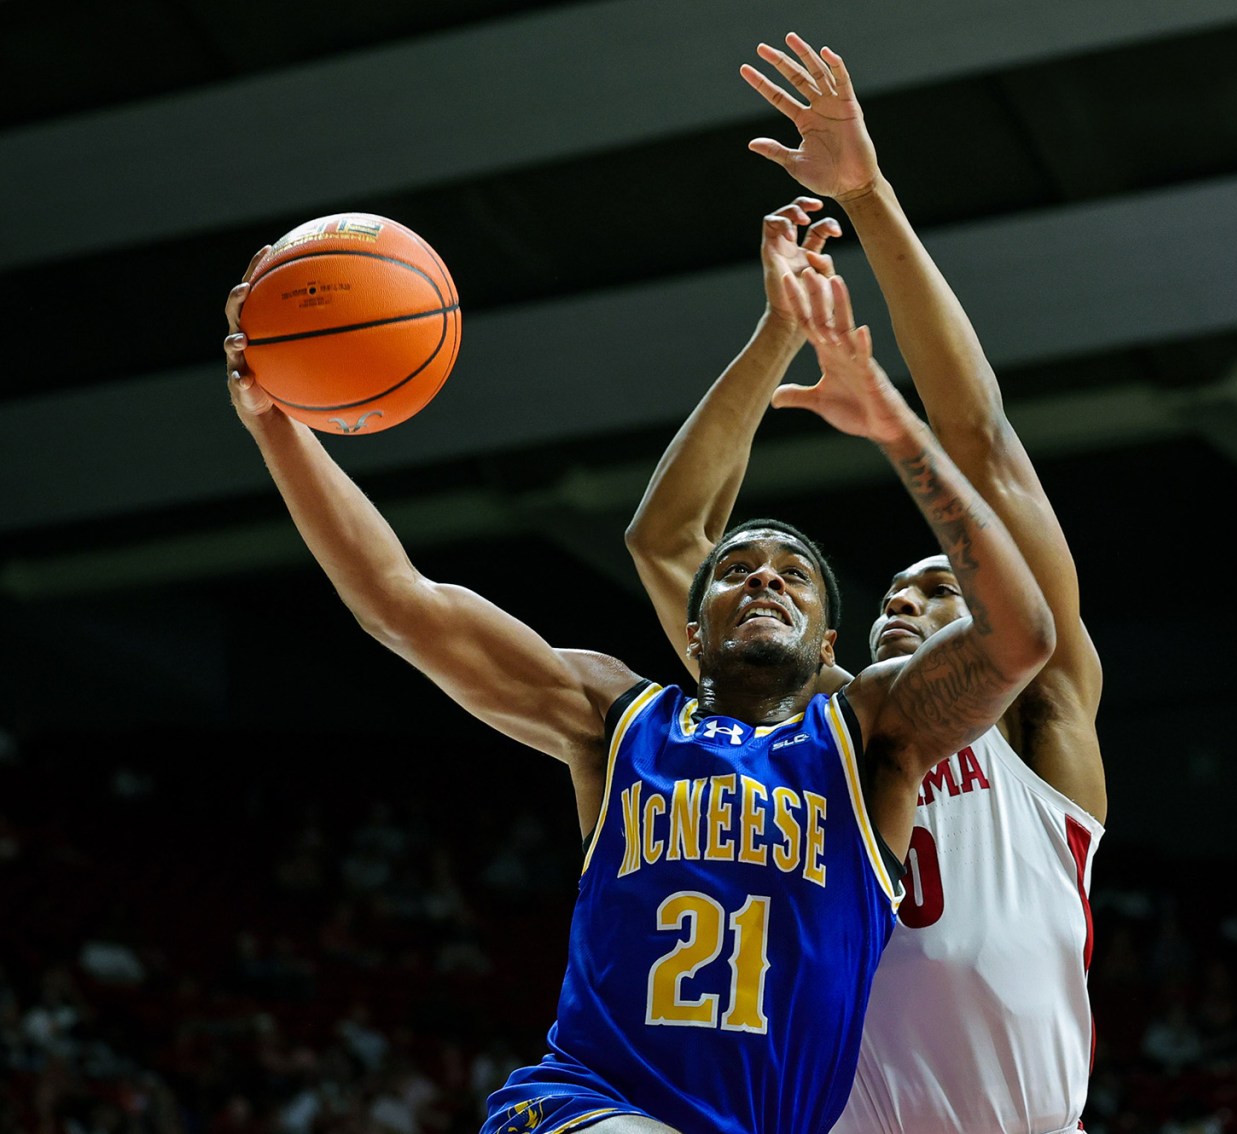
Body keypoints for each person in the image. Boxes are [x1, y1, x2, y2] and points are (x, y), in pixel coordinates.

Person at [223, 256, 1054, 1134]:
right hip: (585, 1106)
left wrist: (896, 431)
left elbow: (1022, 636)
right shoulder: (617, 721)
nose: (764, 579)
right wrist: (278, 428)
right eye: (735, 569)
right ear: (693, 632)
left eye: (795, 575)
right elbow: (399, 601)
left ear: (829, 648)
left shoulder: (871, 739)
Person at [625, 34, 1106, 1134]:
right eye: (893, 593)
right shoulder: (808, 720)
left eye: (941, 589)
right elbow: (668, 545)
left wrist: (870, 196)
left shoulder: (1035, 715)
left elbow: (979, 441)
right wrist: (777, 335)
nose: (905, 602)